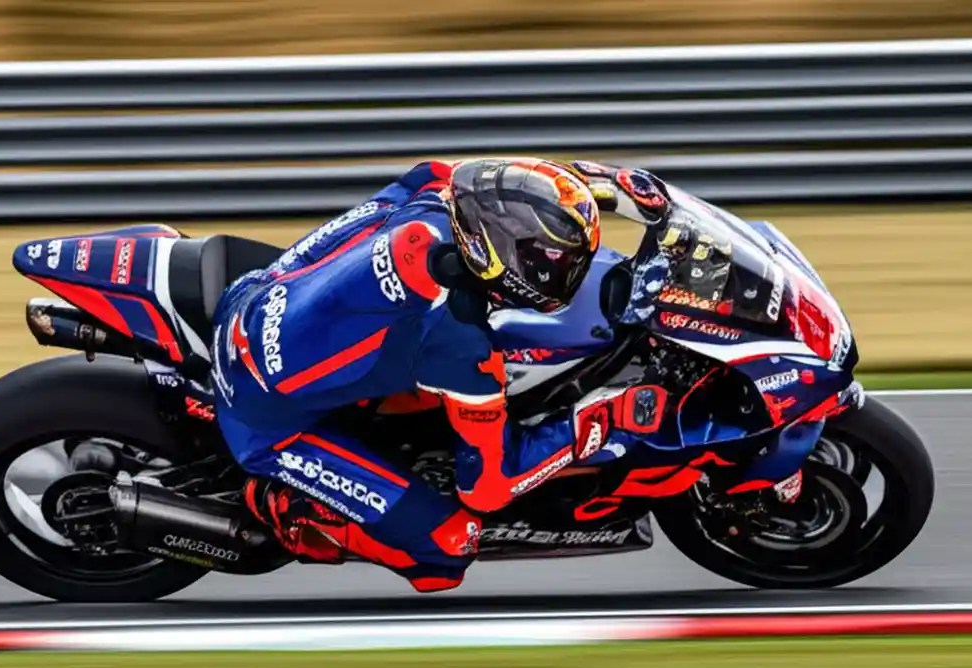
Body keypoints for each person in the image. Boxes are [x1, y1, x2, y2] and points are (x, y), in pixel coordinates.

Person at [209, 157, 670, 592]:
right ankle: (282, 505)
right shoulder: (458, 346)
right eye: (544, 262)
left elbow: (514, 186)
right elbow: (490, 487)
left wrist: (608, 187)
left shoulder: (432, 187)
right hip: (263, 414)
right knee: (450, 548)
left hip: (254, 295)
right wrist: (605, 421)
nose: (558, 270)